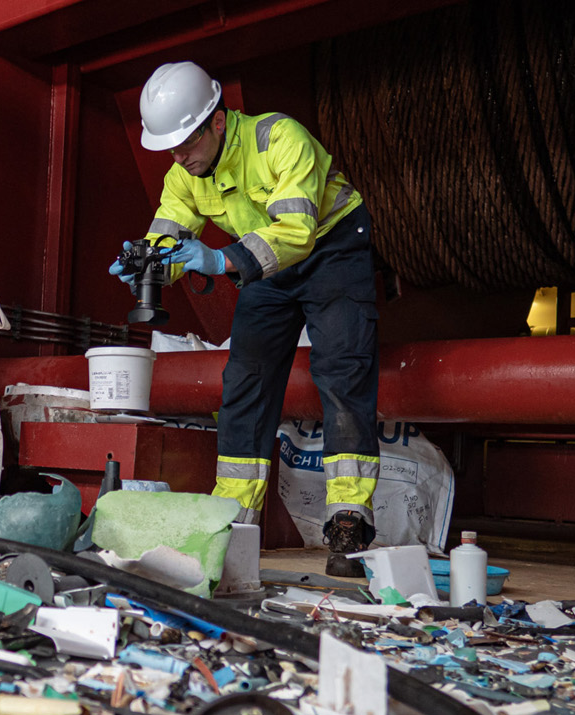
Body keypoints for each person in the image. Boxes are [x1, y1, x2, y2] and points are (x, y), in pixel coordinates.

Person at [111, 61, 380, 577]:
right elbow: (167, 238)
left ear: (217, 121)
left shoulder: (280, 138)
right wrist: (147, 263)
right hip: (264, 261)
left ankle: (349, 519)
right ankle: (235, 521)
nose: (178, 155)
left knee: (342, 370)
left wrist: (218, 260)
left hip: (332, 247)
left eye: (186, 141)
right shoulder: (183, 175)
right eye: (170, 146)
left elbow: (298, 233)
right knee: (246, 381)